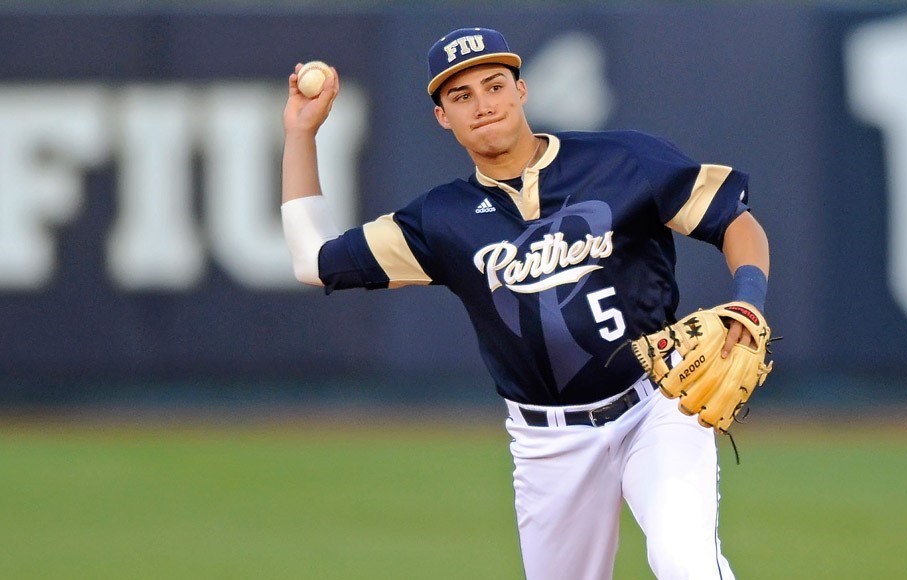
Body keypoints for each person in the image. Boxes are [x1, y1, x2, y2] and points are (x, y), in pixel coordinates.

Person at [281, 27, 769, 580]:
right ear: (442, 116)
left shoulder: (622, 160)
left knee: (688, 566)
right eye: (461, 96)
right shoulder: (440, 220)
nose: (483, 105)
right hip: (548, 442)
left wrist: (748, 303)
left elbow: (734, 220)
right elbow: (312, 259)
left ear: (522, 90)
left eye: (494, 86)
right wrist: (301, 132)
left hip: (658, 404)